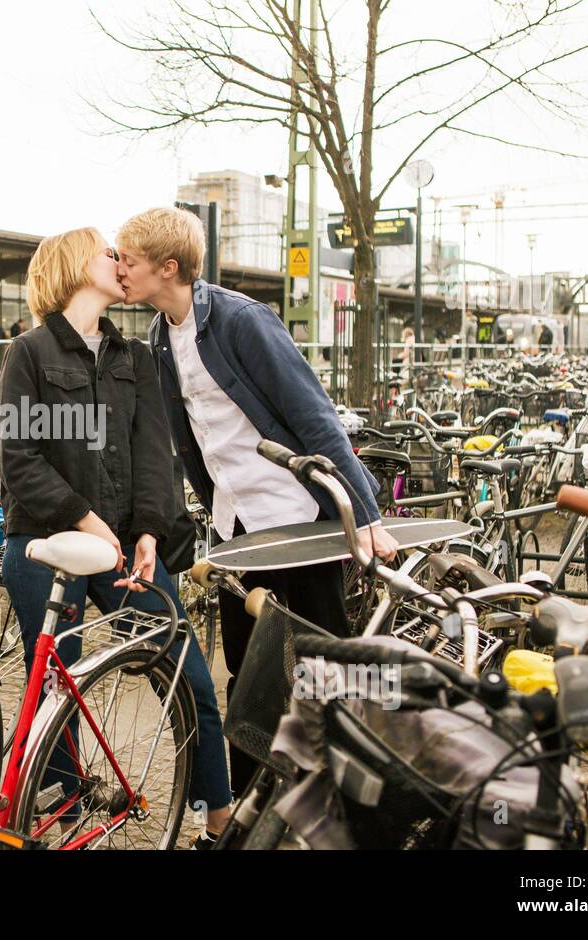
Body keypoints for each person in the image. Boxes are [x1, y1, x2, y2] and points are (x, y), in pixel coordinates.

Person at [116, 206, 399, 798]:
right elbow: (191, 439)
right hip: (237, 526)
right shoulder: (159, 338)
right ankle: (250, 809)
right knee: (248, 676)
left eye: (129, 260)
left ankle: (354, 800)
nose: (119, 269)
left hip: (295, 517)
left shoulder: (243, 321)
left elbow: (313, 416)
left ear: (168, 268)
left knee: (327, 664)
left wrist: (366, 516)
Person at [0, 226, 233, 845]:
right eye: (106, 251)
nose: (118, 261)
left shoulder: (135, 359)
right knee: (56, 685)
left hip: (125, 549)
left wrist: (150, 531)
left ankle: (218, 813)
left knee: (185, 671)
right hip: (44, 545)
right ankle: (60, 809)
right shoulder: (29, 354)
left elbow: (157, 456)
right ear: (73, 266)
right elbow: (19, 458)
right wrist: (84, 517)